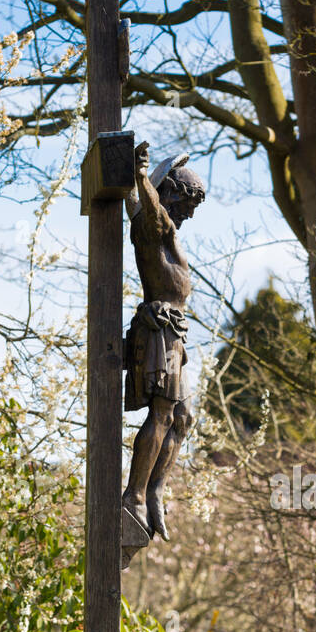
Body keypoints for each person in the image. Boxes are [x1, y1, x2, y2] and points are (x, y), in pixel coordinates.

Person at [122, 141, 205, 548]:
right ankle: (134, 494)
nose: (191, 213)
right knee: (162, 416)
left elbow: (140, 203)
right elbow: (146, 206)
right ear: (171, 193)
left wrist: (143, 180)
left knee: (183, 419)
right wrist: (140, 173)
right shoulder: (154, 226)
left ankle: (155, 488)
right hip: (162, 330)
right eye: (188, 202)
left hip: (176, 333)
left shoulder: (159, 225)